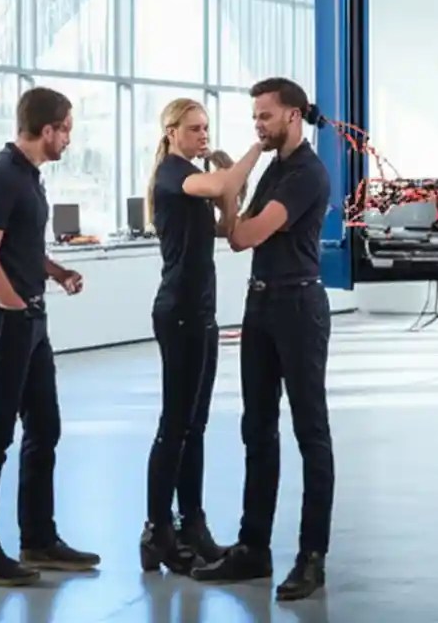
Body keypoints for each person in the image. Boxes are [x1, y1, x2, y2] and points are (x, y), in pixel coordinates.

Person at [190, 77, 333, 601]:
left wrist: (232, 191)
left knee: (310, 432)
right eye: (254, 117)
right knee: (258, 428)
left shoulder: (305, 175)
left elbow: (244, 234)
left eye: (266, 117)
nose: (257, 124)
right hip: (261, 304)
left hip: (298, 307)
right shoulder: (274, 168)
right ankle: (254, 548)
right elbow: (236, 235)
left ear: (293, 116)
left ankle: (311, 557)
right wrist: (233, 194)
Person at [0, 87, 101, 586]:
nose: (69, 137)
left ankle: (38, 539)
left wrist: (57, 271)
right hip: (5, 321)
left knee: (45, 427)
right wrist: (16, 310)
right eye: (66, 128)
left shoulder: (29, 178)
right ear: (48, 130)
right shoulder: (0, 177)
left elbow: (19, 248)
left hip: (30, 318)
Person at [139, 97, 263, 575]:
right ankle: (157, 529)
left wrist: (230, 183)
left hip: (203, 314)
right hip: (179, 314)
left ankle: (192, 524)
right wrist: (254, 150)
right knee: (175, 425)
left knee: (195, 426)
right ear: (172, 132)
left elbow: (227, 225)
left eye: (206, 128)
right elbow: (226, 183)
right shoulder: (173, 174)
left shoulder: (193, 178)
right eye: (194, 129)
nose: (202, 136)